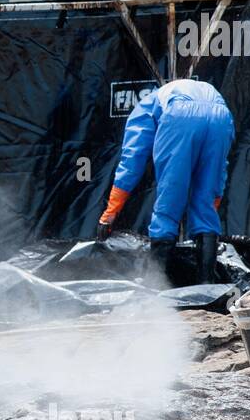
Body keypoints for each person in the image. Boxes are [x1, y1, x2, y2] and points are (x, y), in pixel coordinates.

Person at [96, 78, 235, 283]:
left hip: (180, 115)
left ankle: (157, 283)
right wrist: (211, 203)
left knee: (169, 200)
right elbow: (220, 169)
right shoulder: (190, 92)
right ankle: (207, 284)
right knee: (204, 207)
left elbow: (132, 161)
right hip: (222, 116)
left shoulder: (145, 109)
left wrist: (111, 212)